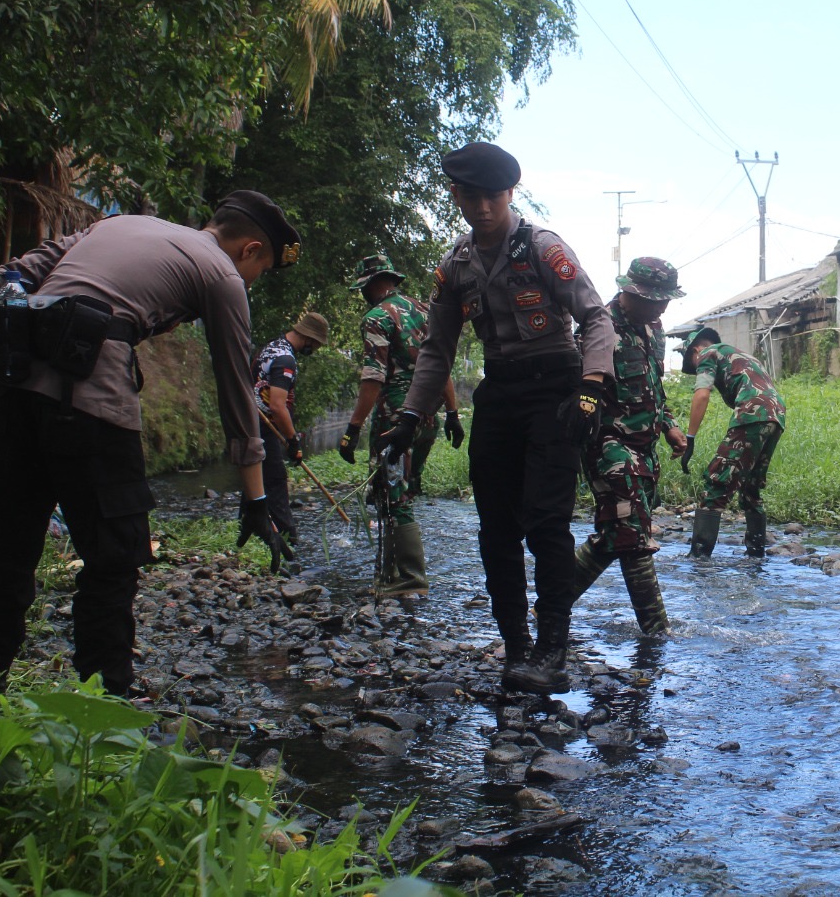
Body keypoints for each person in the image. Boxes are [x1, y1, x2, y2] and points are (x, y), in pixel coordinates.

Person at [0, 191, 300, 698]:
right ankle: (105, 701)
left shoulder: (118, 224)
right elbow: (237, 390)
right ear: (251, 249)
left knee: (5, 552)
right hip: (92, 397)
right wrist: (256, 498)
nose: (253, 279)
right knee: (114, 558)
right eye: (260, 268)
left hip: (14, 383)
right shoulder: (221, 275)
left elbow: (15, 274)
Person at [378, 141, 612, 695]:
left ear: (511, 194)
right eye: (471, 196)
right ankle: (515, 648)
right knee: (496, 530)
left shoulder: (542, 246)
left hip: (557, 388)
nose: (483, 207)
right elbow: (436, 351)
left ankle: (552, 649)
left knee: (546, 521)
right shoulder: (454, 267)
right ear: (456, 195)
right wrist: (410, 416)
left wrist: (591, 389)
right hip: (500, 394)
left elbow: (596, 317)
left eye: (494, 196)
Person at [564, 257, 688, 635]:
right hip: (608, 444)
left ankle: (551, 604)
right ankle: (656, 629)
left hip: (645, 446)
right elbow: (577, 391)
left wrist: (668, 425)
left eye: (665, 300)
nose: (661, 307)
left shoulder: (655, 331)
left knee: (615, 535)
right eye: (654, 300)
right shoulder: (598, 329)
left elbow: (654, 387)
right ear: (629, 292)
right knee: (632, 532)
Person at [336, 254, 461, 595]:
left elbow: (373, 377)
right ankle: (391, 575)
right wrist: (452, 413)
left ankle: (408, 579)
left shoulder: (377, 317)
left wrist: (353, 428)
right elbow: (441, 364)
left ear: (371, 285)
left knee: (392, 493)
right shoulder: (424, 310)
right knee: (399, 491)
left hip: (395, 418)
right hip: (426, 418)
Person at [678, 327, 787, 558]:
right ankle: (756, 556)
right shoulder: (746, 357)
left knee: (717, 483)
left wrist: (690, 438)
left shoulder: (708, 352)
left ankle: (698, 558)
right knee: (751, 486)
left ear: (696, 349)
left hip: (751, 414)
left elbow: (702, 393)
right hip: (776, 416)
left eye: (693, 364)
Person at [252, 311, 330, 561]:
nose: (316, 349)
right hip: (265, 426)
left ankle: (252, 526)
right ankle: (286, 538)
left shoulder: (271, 347)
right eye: (317, 344)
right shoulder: (285, 359)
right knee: (275, 479)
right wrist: (293, 439)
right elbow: (277, 404)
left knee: (257, 477)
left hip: (252, 423)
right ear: (309, 338)